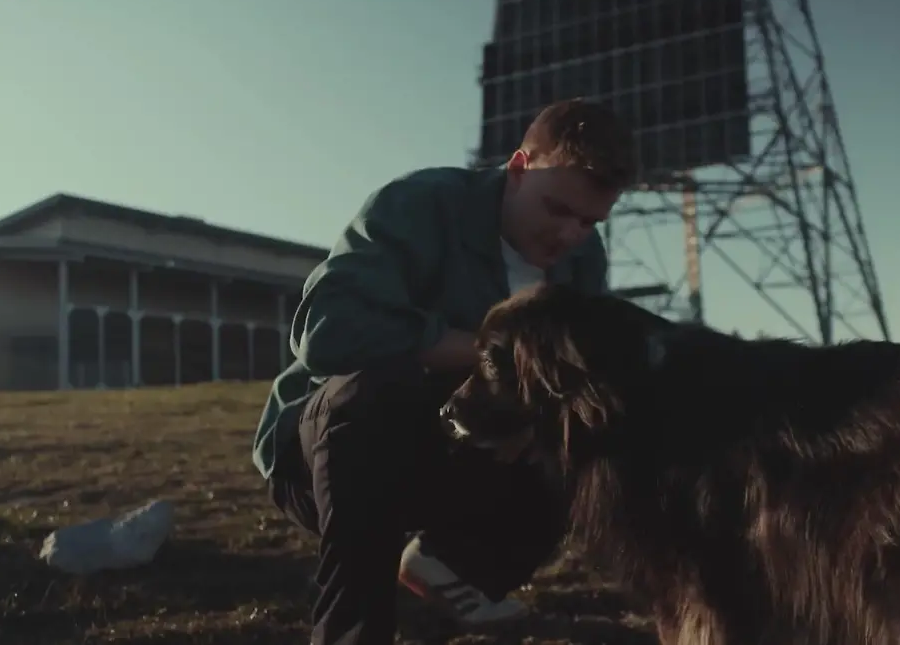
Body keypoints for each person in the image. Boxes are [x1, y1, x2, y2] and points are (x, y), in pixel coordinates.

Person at [251, 98, 639, 645]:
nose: (570, 235)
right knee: (372, 394)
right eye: (557, 210)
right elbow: (324, 330)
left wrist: (539, 421)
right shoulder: (421, 203)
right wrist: (490, 350)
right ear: (519, 169)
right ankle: (351, 633)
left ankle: (449, 567)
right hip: (326, 458)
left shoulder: (583, 259)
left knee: (591, 427)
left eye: (590, 221)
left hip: (458, 452)